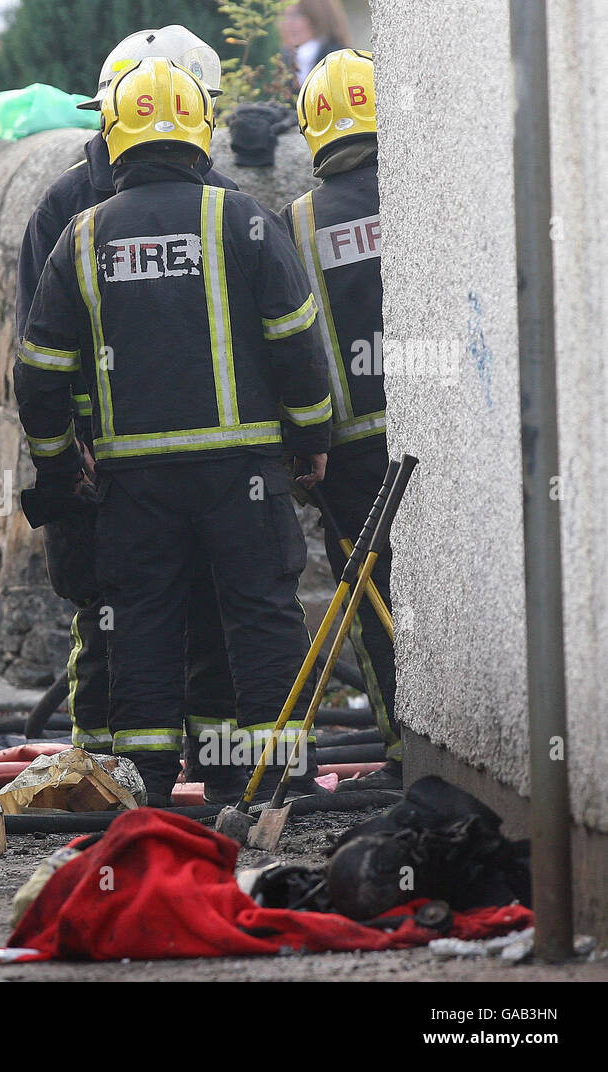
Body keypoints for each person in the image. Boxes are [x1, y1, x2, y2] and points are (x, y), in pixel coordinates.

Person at [16, 58, 331, 805]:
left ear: (114, 135)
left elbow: (38, 372)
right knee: (257, 612)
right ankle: (275, 779)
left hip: (134, 484)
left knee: (145, 622)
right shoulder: (243, 217)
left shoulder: (83, 234)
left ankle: (145, 785)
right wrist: (310, 439)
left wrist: (63, 466)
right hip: (242, 475)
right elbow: (296, 338)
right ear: (202, 131)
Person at [17, 25, 239, 791]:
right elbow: (41, 351)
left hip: (161, 467)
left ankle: (207, 775)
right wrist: (71, 448)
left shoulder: (218, 203)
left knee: (202, 619)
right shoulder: (67, 208)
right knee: (109, 623)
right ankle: (105, 778)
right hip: (100, 467)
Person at [283, 50, 400, 790]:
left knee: (374, 592)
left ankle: (400, 742)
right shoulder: (423, 194)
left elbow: (289, 343)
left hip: (348, 453)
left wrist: (304, 445)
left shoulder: (295, 221)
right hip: (439, 436)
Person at [279, 0, 352, 88]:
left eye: (297, 14)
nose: (287, 23)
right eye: (283, 15)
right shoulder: (281, 64)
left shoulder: (339, 60)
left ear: (318, 16)